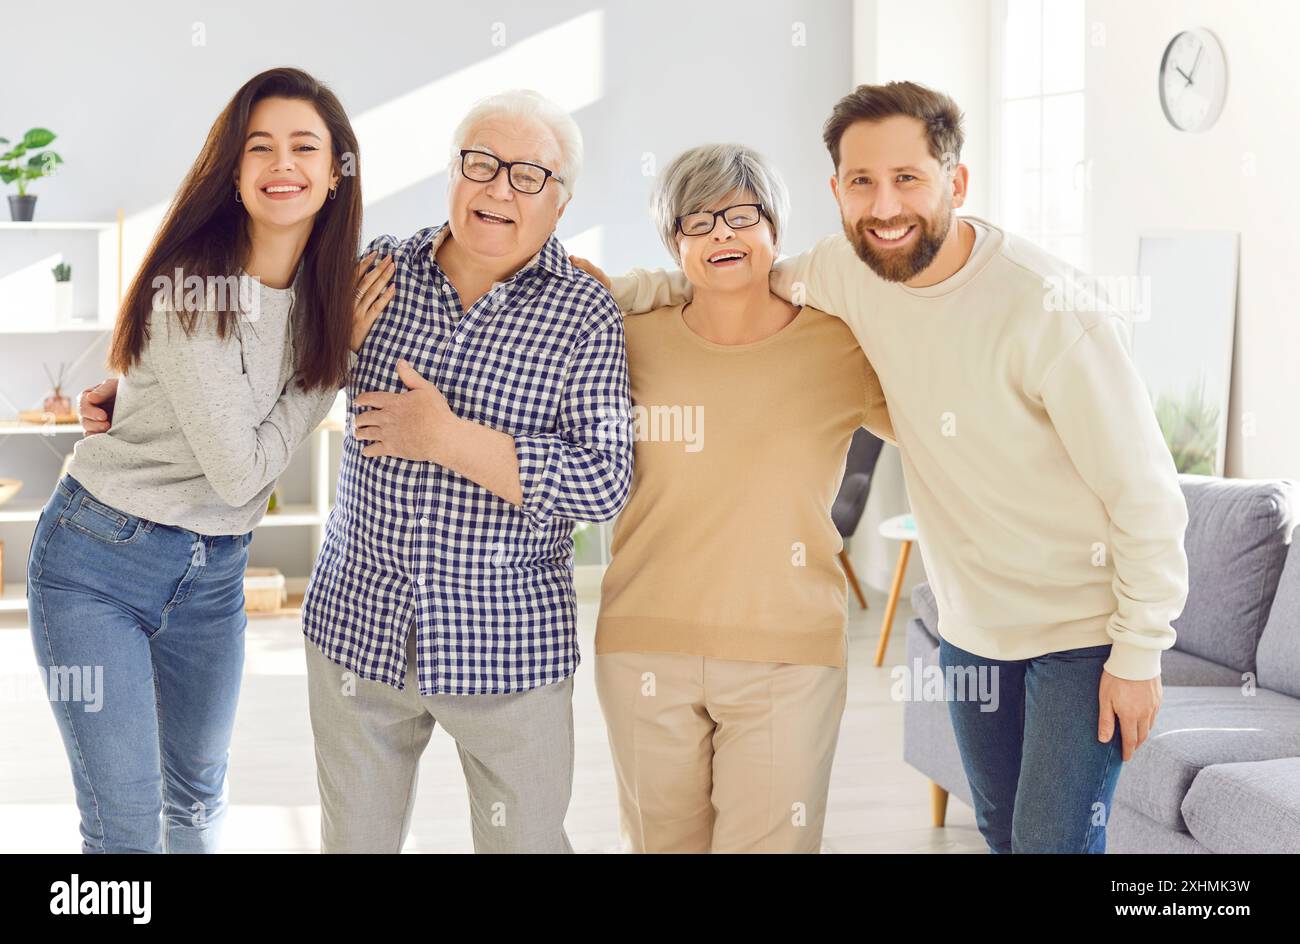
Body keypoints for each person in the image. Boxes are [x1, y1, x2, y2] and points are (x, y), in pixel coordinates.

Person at [595, 81, 1189, 854]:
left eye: (907, 178)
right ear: (836, 191)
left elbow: (1146, 491)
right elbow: (730, 275)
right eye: (863, 183)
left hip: (1082, 630)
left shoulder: (1049, 307)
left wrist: (1140, 649)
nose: (885, 206)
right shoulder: (846, 273)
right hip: (974, 628)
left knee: (1053, 845)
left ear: (956, 181)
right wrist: (616, 290)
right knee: (1004, 834)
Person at [40, 66, 392, 853]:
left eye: (305, 147)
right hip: (100, 561)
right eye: (259, 148)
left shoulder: (330, 290)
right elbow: (240, 472)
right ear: (233, 175)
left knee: (196, 805)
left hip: (213, 571)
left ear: (337, 173)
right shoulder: (196, 289)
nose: (283, 165)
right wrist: (332, 368)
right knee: (126, 826)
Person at [298, 89, 634, 853]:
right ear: (452, 170)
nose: (498, 188)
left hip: (508, 647)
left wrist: (447, 438)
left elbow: (603, 480)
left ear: (562, 201)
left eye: (528, 175)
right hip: (359, 629)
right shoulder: (374, 273)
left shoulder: (586, 314)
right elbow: (275, 378)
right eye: (480, 163)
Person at [577, 143, 893, 853]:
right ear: (674, 244)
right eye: (697, 221)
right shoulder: (625, 339)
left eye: (741, 215)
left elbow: (945, 426)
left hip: (789, 656)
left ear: (774, 234)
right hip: (644, 651)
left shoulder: (839, 345)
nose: (722, 233)